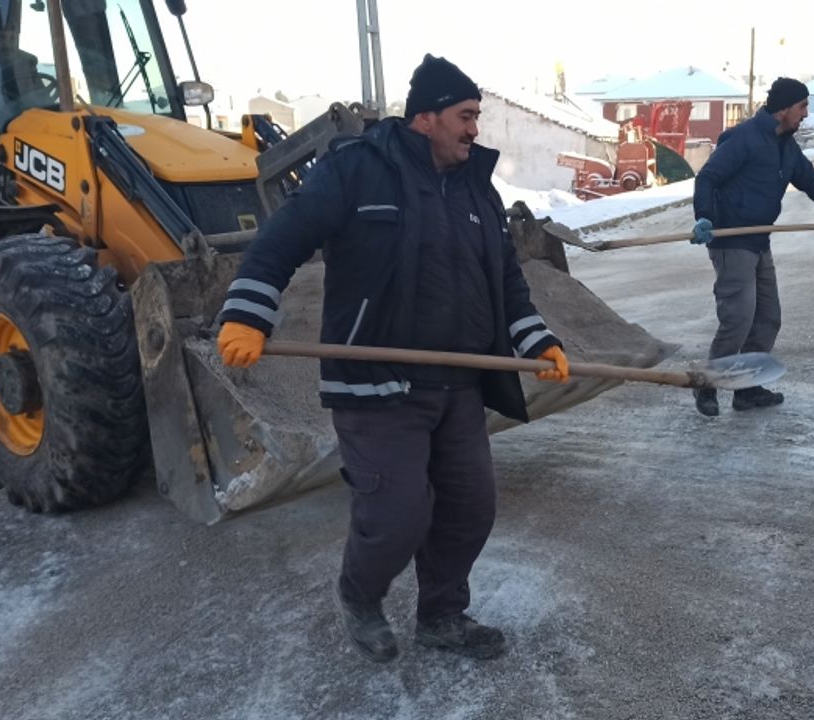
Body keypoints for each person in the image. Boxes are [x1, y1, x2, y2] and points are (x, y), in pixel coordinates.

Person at [216, 54, 570, 663]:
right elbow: (281, 239)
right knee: (398, 514)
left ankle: (442, 616)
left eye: (476, 116)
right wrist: (248, 313)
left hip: (460, 384)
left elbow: (505, 280)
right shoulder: (358, 170)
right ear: (426, 117)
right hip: (376, 384)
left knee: (470, 508)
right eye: (465, 116)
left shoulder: (476, 188)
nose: (475, 129)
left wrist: (536, 339)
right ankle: (360, 597)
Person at [688, 77, 814, 417]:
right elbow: (708, 177)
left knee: (768, 318)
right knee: (738, 318)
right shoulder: (744, 139)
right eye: (802, 106)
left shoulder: (786, 147)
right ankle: (707, 384)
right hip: (732, 241)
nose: (806, 114)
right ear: (784, 108)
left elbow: (813, 183)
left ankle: (747, 389)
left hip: (759, 242)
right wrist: (704, 217)